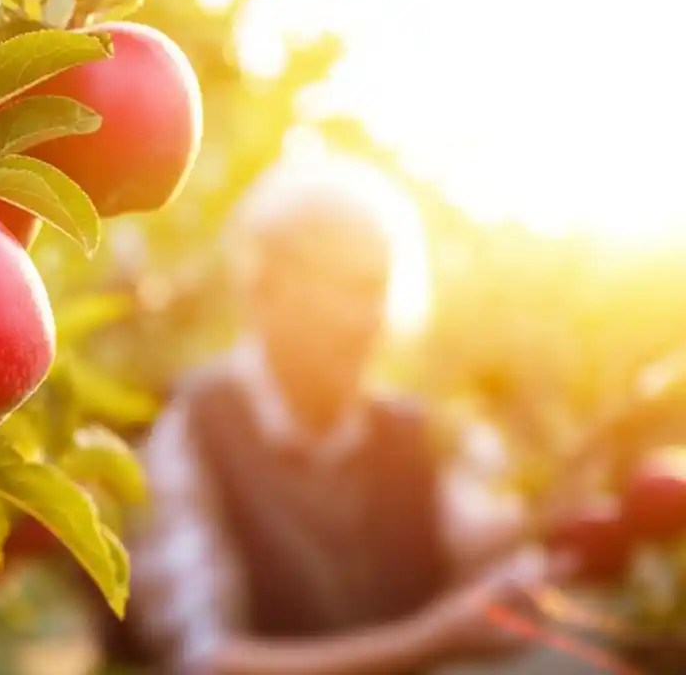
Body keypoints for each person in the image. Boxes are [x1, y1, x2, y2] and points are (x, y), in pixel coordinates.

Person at [126, 159, 556, 675]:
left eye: (378, 289)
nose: (371, 318)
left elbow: (487, 550)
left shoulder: (414, 436)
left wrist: (564, 539)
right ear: (268, 287)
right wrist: (429, 640)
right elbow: (204, 662)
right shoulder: (192, 430)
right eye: (351, 288)